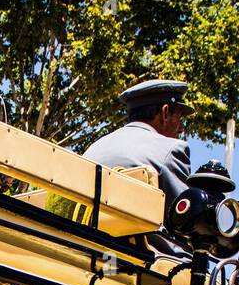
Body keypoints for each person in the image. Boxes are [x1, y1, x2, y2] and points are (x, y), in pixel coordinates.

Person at [83, 79, 194, 259]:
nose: (181, 128)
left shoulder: (94, 148)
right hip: (142, 272)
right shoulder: (169, 149)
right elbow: (185, 228)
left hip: (93, 261)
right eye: (179, 118)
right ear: (165, 112)